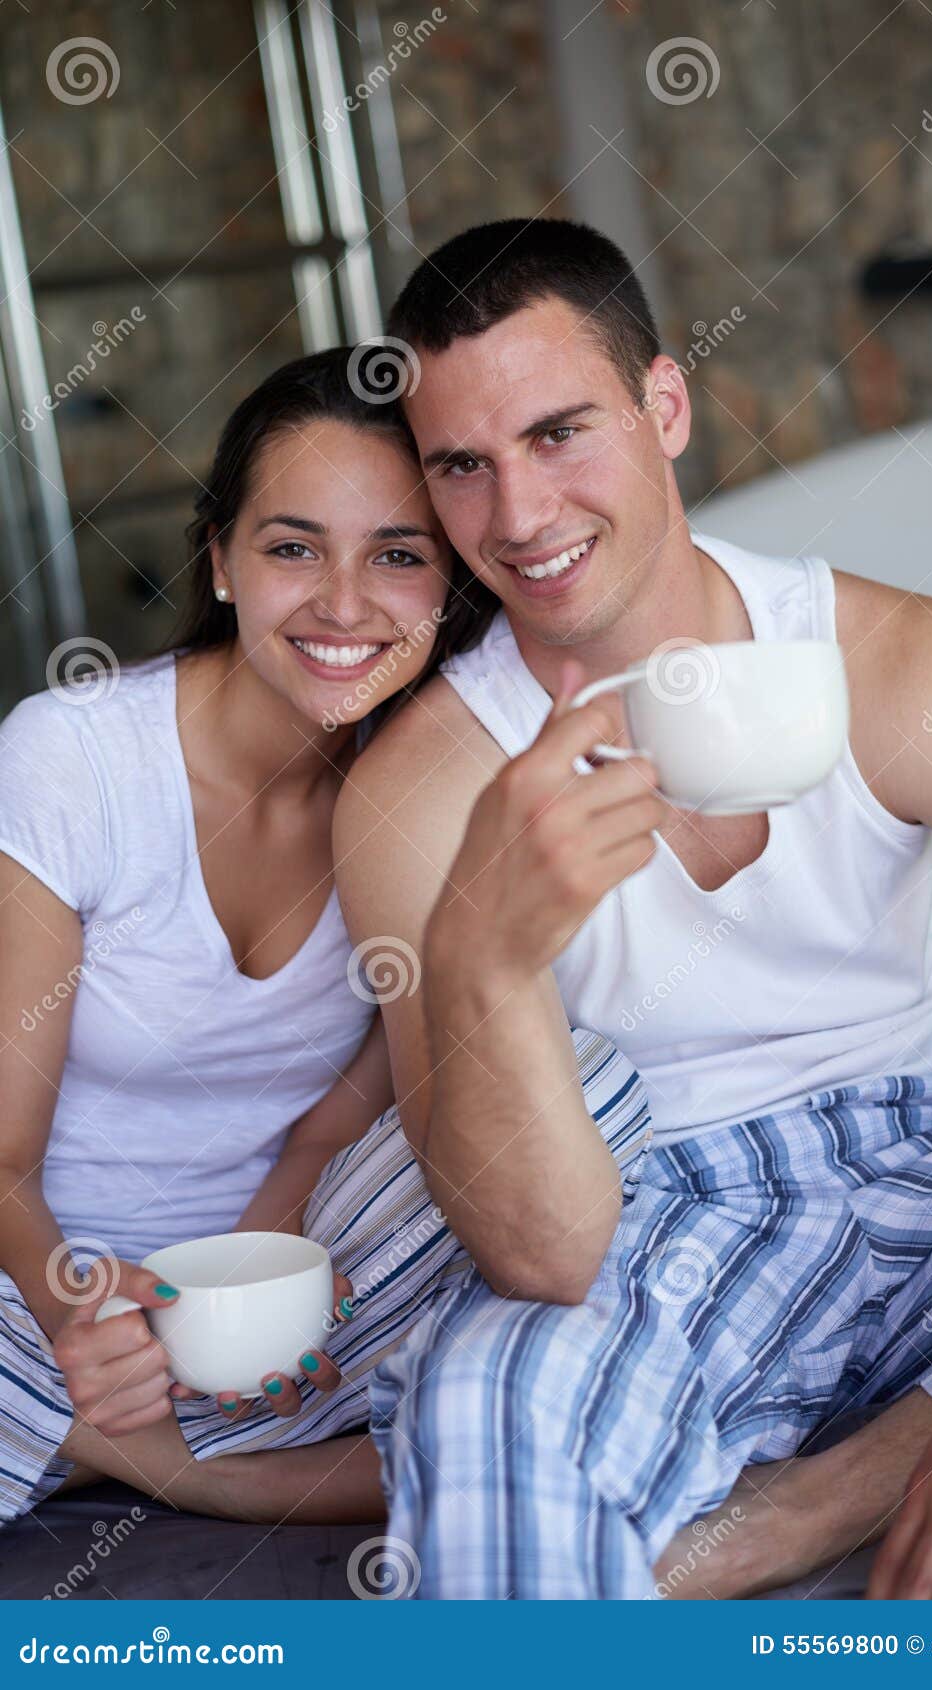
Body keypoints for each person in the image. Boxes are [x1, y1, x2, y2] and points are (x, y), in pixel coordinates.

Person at [332, 217, 932, 1600]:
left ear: (664, 406)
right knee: (484, 1402)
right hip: (658, 1223)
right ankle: (889, 1469)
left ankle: (829, 1495)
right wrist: (483, 956)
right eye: (464, 468)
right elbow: (538, 1247)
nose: (522, 516)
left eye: (561, 434)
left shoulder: (902, 661)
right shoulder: (419, 787)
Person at [0, 348, 504, 1526]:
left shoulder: (441, 787)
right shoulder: (72, 759)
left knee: (583, 1100)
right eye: (292, 547)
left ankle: (123, 1436)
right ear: (220, 558)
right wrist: (83, 1304)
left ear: (451, 584)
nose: (343, 602)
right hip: (37, 1276)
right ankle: (168, 1455)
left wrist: (247, 1299)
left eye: (398, 554)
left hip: (289, 1260)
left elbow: (345, 1122)